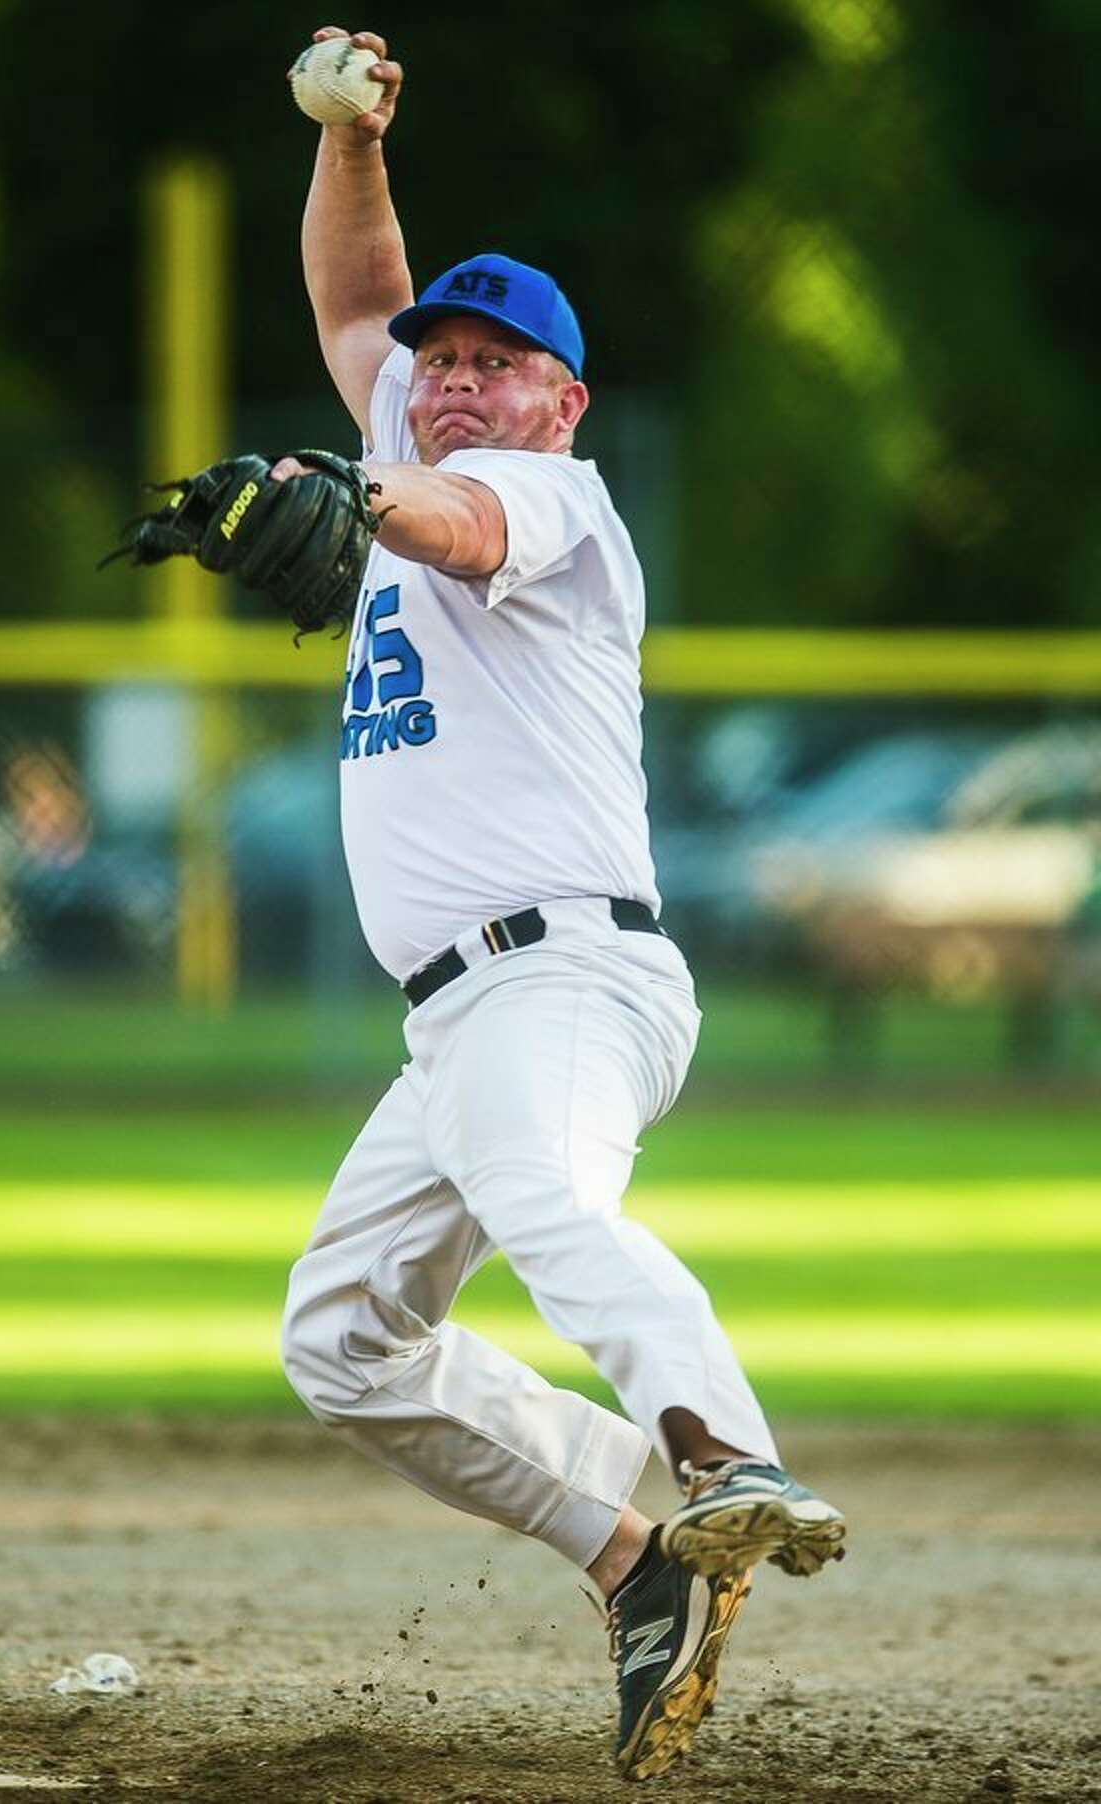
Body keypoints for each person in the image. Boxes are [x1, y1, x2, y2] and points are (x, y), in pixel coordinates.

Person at [276, 26, 846, 1783]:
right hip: (452, 1016)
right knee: (345, 1344)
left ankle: (728, 1456)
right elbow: (357, 303)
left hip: (567, 976)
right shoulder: (414, 414)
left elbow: (441, 518)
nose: (452, 376)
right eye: (442, 357)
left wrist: (344, 487)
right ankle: (635, 1556)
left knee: (541, 1194)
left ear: (563, 396)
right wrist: (349, 138)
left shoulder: (548, 496)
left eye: (497, 358)